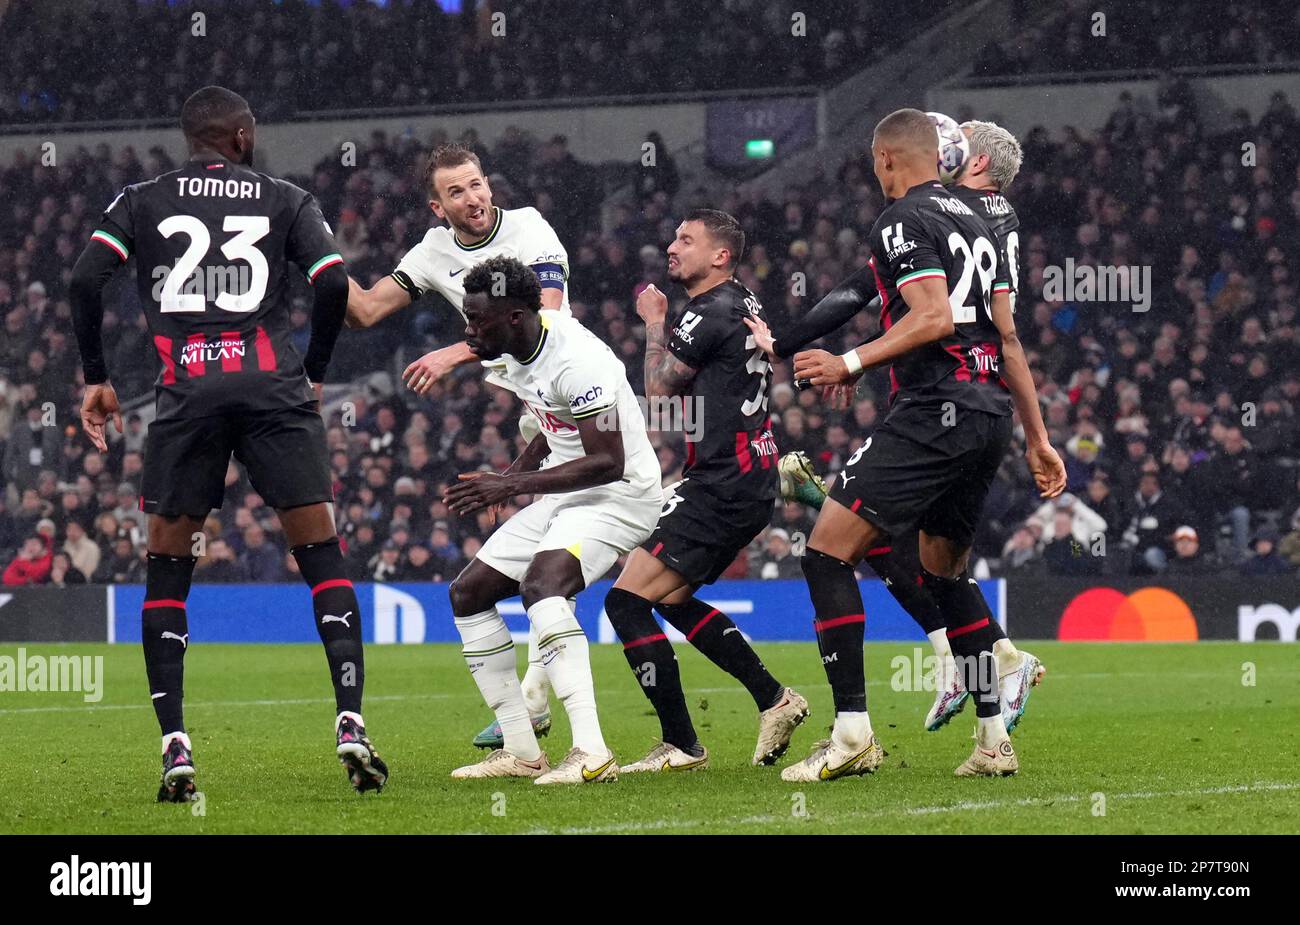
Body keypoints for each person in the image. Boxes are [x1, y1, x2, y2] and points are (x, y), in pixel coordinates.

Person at [68, 86, 387, 802]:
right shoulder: (284, 196)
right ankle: (350, 718)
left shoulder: (142, 197)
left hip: (187, 394)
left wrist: (97, 376)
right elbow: (333, 283)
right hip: (273, 388)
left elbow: (85, 276)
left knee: (168, 568)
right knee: (321, 555)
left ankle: (175, 742)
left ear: (191, 140)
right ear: (242, 136)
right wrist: (315, 373)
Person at [756, 108, 1065, 782]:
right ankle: (993, 742)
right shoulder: (983, 220)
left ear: (889, 159)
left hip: (935, 410)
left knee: (826, 552)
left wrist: (851, 362)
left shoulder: (902, 219)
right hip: (988, 415)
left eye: (876, 164)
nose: (876, 174)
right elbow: (1006, 336)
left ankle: (852, 732)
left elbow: (932, 317)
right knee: (944, 574)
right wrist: (1038, 437)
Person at [346, 142, 570, 750]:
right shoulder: (432, 251)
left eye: (476, 185)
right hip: (540, 423)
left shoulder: (529, 230)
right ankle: (533, 707)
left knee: (559, 575)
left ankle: (539, 719)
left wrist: (456, 351)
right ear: (437, 206)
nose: (472, 199)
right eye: (456, 192)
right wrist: (307, 256)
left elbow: (544, 317)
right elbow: (364, 311)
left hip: (582, 406)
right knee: (552, 575)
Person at [441, 256, 662, 784]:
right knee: (467, 593)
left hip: (620, 494)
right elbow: (552, 416)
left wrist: (511, 484)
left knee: (543, 587)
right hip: (565, 492)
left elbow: (609, 460)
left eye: (478, 320)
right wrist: (516, 468)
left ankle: (591, 751)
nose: (470, 332)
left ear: (516, 317)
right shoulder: (516, 347)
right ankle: (521, 750)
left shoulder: (578, 360)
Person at [604, 210, 808, 774]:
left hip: (722, 480)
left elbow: (659, 391)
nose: (672, 247)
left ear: (720, 256)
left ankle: (681, 744)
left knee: (624, 601)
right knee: (668, 599)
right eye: (673, 236)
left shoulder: (706, 310)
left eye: (686, 240)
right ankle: (774, 699)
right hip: (744, 476)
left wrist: (653, 322)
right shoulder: (745, 302)